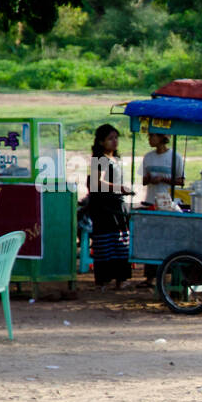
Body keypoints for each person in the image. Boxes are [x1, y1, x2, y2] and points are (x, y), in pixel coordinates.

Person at [82, 124, 133, 290]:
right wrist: (120, 188)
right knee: (105, 243)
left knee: (120, 241)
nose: (114, 141)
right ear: (101, 141)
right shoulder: (99, 159)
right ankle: (103, 280)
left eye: (116, 138)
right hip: (104, 207)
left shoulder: (115, 159)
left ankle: (121, 278)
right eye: (110, 138)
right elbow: (96, 183)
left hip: (117, 205)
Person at [141, 133, 185, 208]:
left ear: (161, 137)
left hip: (167, 203)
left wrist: (162, 179)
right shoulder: (147, 157)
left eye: (151, 136)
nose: (149, 139)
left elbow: (181, 181)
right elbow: (143, 181)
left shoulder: (176, 157)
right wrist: (148, 179)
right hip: (150, 201)